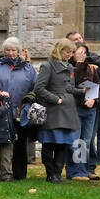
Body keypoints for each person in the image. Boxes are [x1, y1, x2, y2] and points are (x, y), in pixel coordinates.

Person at [0, 37, 36, 181]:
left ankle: (19, 173)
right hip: (1, 112)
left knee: (19, 144)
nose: (11, 53)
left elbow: (35, 87)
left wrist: (29, 100)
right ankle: (0, 173)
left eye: (13, 50)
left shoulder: (28, 68)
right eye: (8, 50)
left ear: (19, 51)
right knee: (1, 145)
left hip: (21, 112)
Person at [31, 38, 79, 184]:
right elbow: (39, 88)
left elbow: (69, 88)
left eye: (72, 52)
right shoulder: (47, 66)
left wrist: (83, 91)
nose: (70, 55)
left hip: (68, 110)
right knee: (49, 143)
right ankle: (50, 174)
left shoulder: (70, 67)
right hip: (53, 110)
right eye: (67, 51)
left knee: (63, 144)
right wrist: (55, 99)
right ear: (59, 50)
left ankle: (58, 174)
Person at [68, 41, 100, 180]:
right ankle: (75, 172)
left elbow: (98, 88)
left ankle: (83, 170)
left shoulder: (92, 69)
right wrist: (80, 64)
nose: (81, 55)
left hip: (90, 109)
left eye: (84, 52)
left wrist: (93, 100)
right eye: (78, 52)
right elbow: (73, 84)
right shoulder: (70, 67)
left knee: (86, 142)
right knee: (76, 142)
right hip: (75, 108)